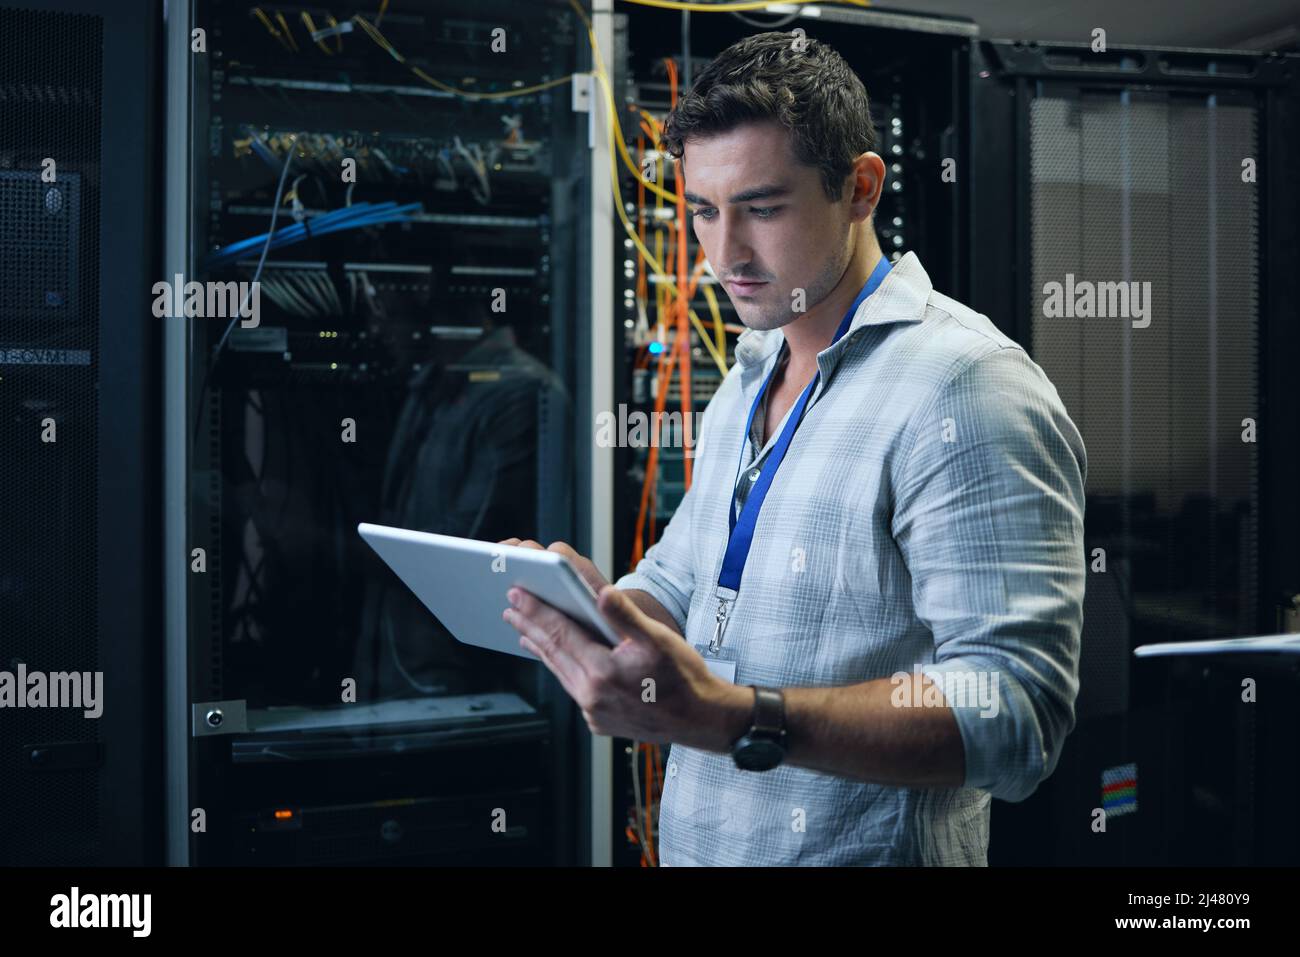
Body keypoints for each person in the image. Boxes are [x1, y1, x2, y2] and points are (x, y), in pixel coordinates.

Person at [502, 31, 1087, 866]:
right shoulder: (747, 372)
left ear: (861, 188)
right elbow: (686, 573)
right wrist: (588, 611)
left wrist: (732, 714)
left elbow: (1017, 713)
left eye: (762, 208)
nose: (724, 254)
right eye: (703, 210)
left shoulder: (967, 387)